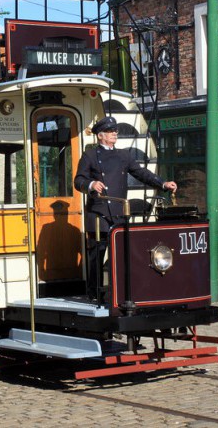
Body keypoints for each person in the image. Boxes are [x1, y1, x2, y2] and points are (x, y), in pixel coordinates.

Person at [74, 116, 178, 301]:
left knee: (122, 255)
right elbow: (78, 181)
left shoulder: (123, 155)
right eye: (110, 131)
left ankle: (120, 292)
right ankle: (94, 294)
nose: (115, 133)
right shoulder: (90, 155)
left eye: (115, 131)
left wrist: (162, 183)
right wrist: (91, 184)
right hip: (99, 215)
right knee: (96, 256)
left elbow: (141, 173)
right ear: (100, 135)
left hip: (120, 213)